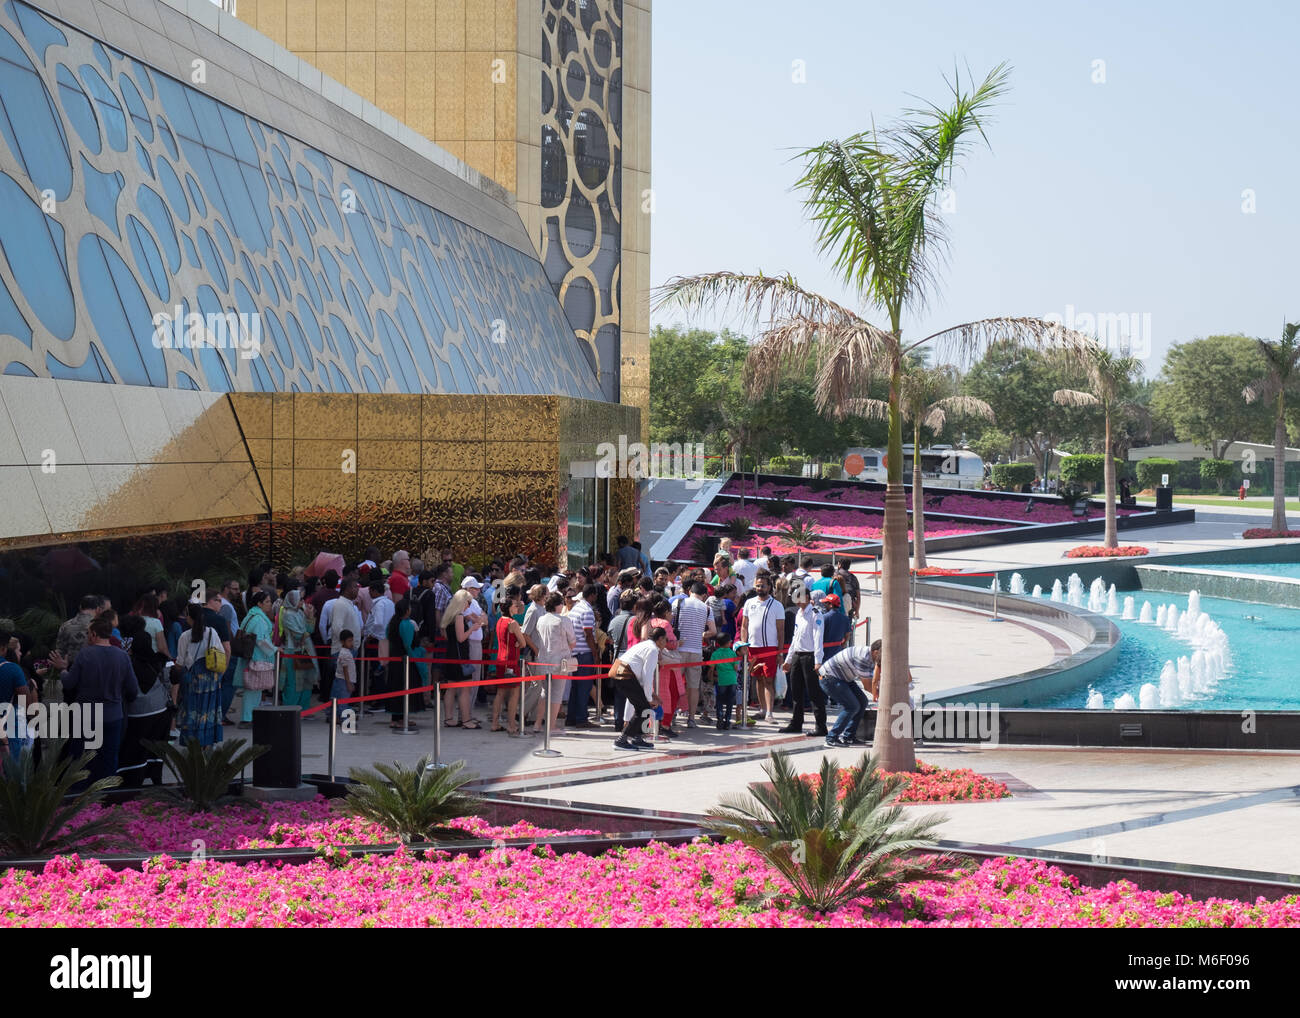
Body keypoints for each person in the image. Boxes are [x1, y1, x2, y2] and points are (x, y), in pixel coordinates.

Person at [52, 616, 139, 784]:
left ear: (93, 634)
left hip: (86, 715)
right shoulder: (122, 656)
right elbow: (133, 689)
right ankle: (106, 797)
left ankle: (80, 796)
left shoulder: (85, 654)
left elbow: (69, 683)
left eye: (87, 633)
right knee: (109, 757)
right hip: (113, 715)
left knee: (81, 759)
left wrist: (62, 669)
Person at [116, 614, 173, 787]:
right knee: (156, 747)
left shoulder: (126, 662)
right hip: (161, 710)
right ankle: (156, 778)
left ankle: (132, 782)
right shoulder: (159, 660)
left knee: (134, 749)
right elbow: (170, 681)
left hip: (137, 712)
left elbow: (127, 689)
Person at [173, 603, 226, 747]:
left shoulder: (185, 636)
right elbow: (220, 652)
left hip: (193, 681)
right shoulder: (212, 632)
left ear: (189, 618)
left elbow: (180, 662)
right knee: (208, 711)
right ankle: (207, 742)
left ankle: (193, 743)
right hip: (210, 680)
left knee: (192, 712)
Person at [610, 625, 666, 751]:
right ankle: (621, 740)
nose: (666, 643)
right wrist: (649, 698)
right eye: (666, 639)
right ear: (660, 639)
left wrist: (650, 695)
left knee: (643, 706)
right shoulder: (652, 650)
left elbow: (642, 677)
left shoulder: (646, 645)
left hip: (621, 672)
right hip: (624, 674)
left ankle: (638, 737)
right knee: (644, 707)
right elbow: (647, 676)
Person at [490, 586, 536, 736]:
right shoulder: (512, 623)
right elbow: (523, 643)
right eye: (515, 605)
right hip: (511, 660)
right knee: (514, 693)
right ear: (509, 608)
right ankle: (511, 725)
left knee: (500, 693)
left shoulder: (500, 620)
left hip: (500, 659)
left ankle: (495, 723)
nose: (517, 607)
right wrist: (518, 641)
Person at [739, 571, 784, 723]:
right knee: (757, 679)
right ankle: (762, 709)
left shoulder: (777, 605)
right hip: (753, 648)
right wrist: (744, 644)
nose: (759, 588)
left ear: (769, 587)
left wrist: (779, 652)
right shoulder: (749, 603)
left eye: (762, 586)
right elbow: (744, 626)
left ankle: (770, 713)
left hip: (769, 647)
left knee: (768, 680)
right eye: (757, 585)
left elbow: (780, 630)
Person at [782, 592, 827, 736]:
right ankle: (796, 723)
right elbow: (795, 638)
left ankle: (821, 726)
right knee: (796, 691)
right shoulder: (798, 614)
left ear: (808, 597)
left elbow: (818, 637)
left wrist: (818, 660)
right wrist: (789, 659)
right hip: (797, 654)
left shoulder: (815, 614)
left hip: (810, 656)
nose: (797, 602)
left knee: (814, 692)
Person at [672, 581, 715, 727]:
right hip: (696, 651)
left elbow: (669, 622)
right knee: (693, 687)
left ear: (690, 591)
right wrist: (701, 634)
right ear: (704, 595)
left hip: (678, 650)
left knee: (675, 685)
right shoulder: (707, 608)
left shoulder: (678, 602)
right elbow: (713, 631)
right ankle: (691, 718)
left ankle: (671, 717)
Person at [533, 591, 575, 735]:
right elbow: (573, 642)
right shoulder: (564, 621)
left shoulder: (541, 620)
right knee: (557, 694)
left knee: (545, 692)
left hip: (543, 660)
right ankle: (551, 726)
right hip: (560, 661)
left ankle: (538, 724)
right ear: (559, 605)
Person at [233, 589, 276, 728]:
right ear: (259, 603)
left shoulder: (251, 616)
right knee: (253, 689)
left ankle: (250, 717)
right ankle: (247, 718)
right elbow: (261, 641)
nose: (270, 604)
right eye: (267, 602)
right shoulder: (258, 619)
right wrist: (275, 649)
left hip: (249, 657)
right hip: (256, 658)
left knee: (253, 688)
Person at [441, 588, 483, 729]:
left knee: (451, 688)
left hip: (451, 654)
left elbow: (449, 635)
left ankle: (449, 718)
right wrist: (473, 628)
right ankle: (466, 720)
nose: (469, 605)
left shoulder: (450, 616)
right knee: (465, 689)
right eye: (468, 602)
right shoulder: (458, 616)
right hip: (460, 656)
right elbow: (461, 638)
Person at [818, 644, 875, 747]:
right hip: (829, 678)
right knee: (852, 706)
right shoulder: (862, 658)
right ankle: (831, 738)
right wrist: (881, 697)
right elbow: (868, 686)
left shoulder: (871, 655)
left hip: (843, 677)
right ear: (876, 652)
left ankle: (849, 737)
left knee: (862, 702)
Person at [565, 583, 600, 728]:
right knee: (584, 687)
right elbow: (588, 635)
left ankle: (571, 717)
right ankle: (581, 718)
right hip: (584, 653)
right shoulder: (587, 610)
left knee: (575, 687)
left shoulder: (575, 608)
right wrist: (595, 653)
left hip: (573, 652)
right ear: (592, 595)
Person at [277, 589, 318, 711]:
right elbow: (298, 634)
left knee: (306, 681)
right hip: (293, 651)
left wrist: (310, 616)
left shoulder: (299, 613)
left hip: (304, 650)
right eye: (300, 599)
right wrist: (306, 632)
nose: (303, 601)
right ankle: (290, 708)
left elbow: (309, 630)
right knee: (294, 683)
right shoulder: (288, 614)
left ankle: (303, 709)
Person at [387, 598, 423, 730]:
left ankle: (397, 718)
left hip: (394, 659)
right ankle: (400, 718)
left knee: (396, 687)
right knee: (404, 687)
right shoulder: (406, 624)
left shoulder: (392, 623)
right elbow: (408, 644)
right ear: (407, 610)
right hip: (405, 660)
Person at [711, 632, 739, 730]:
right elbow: (736, 667)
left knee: (719, 701)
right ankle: (727, 721)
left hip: (721, 680)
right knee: (730, 702)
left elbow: (712, 668)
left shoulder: (715, 654)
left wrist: (711, 678)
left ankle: (720, 719)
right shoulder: (732, 653)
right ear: (728, 643)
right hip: (732, 680)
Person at [330, 630, 356, 722]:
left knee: (340, 700)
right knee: (343, 702)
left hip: (342, 680)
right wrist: (349, 683)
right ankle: (344, 720)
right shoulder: (344, 653)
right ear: (342, 642)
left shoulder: (347, 651)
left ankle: (336, 718)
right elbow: (345, 669)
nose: (351, 643)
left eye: (352, 640)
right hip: (344, 681)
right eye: (349, 641)